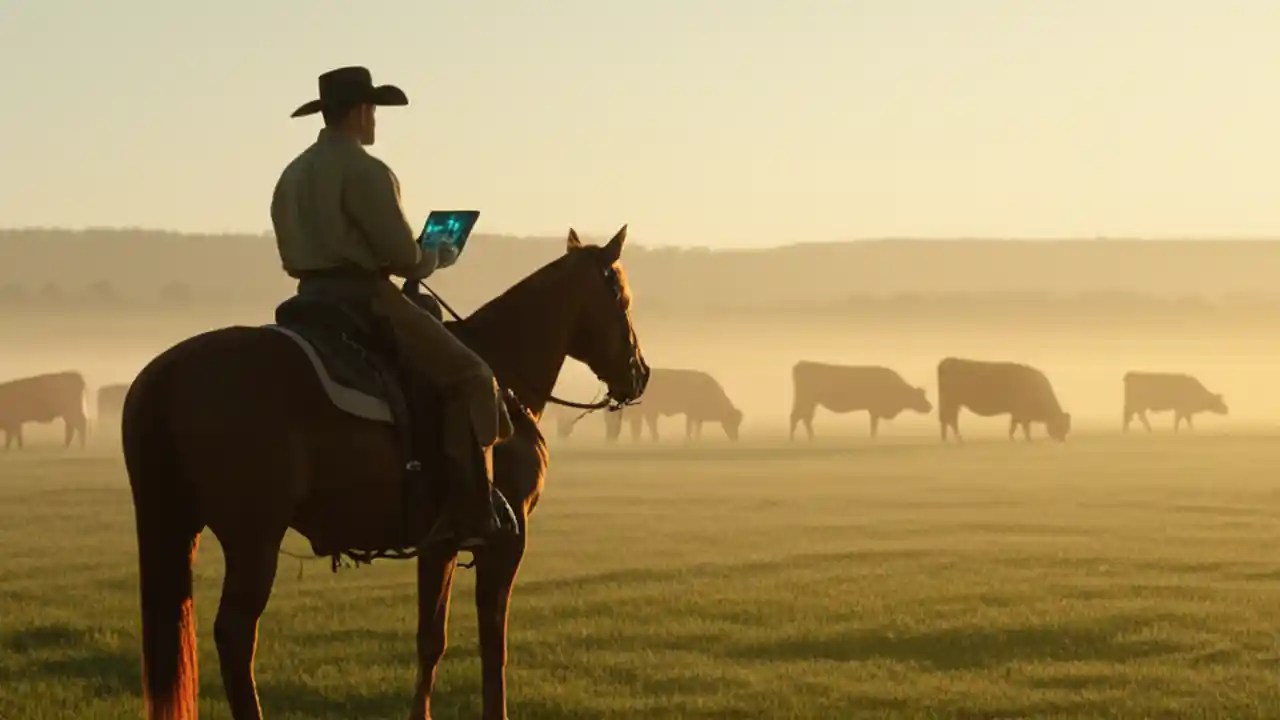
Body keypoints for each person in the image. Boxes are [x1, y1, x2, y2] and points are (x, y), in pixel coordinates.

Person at [270, 66, 517, 548]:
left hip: (306, 299)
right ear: (362, 111)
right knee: (471, 376)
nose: (376, 119)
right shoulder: (366, 170)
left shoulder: (292, 174)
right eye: (375, 110)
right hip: (364, 298)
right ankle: (471, 513)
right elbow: (405, 258)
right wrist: (437, 254)